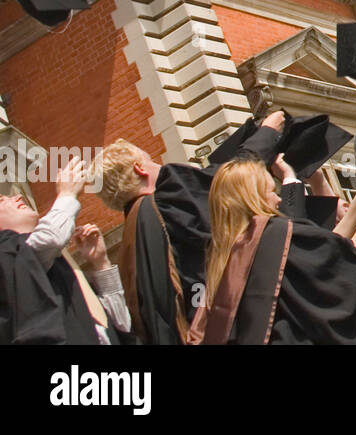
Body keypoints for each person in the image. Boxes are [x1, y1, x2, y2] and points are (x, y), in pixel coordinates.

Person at [96, 110, 284, 344]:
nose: (159, 165)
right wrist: (267, 133)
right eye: (151, 161)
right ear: (139, 169)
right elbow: (228, 185)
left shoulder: (132, 239)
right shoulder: (169, 193)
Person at [189, 137, 356, 344]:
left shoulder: (227, 256)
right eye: (271, 191)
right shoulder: (272, 235)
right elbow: (347, 252)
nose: (278, 199)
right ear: (253, 198)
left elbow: (331, 244)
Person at [0, 157, 131, 345]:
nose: (18, 197)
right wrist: (67, 194)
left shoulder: (56, 265)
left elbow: (120, 325)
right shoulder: (9, 258)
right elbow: (50, 238)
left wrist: (100, 264)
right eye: (2, 199)